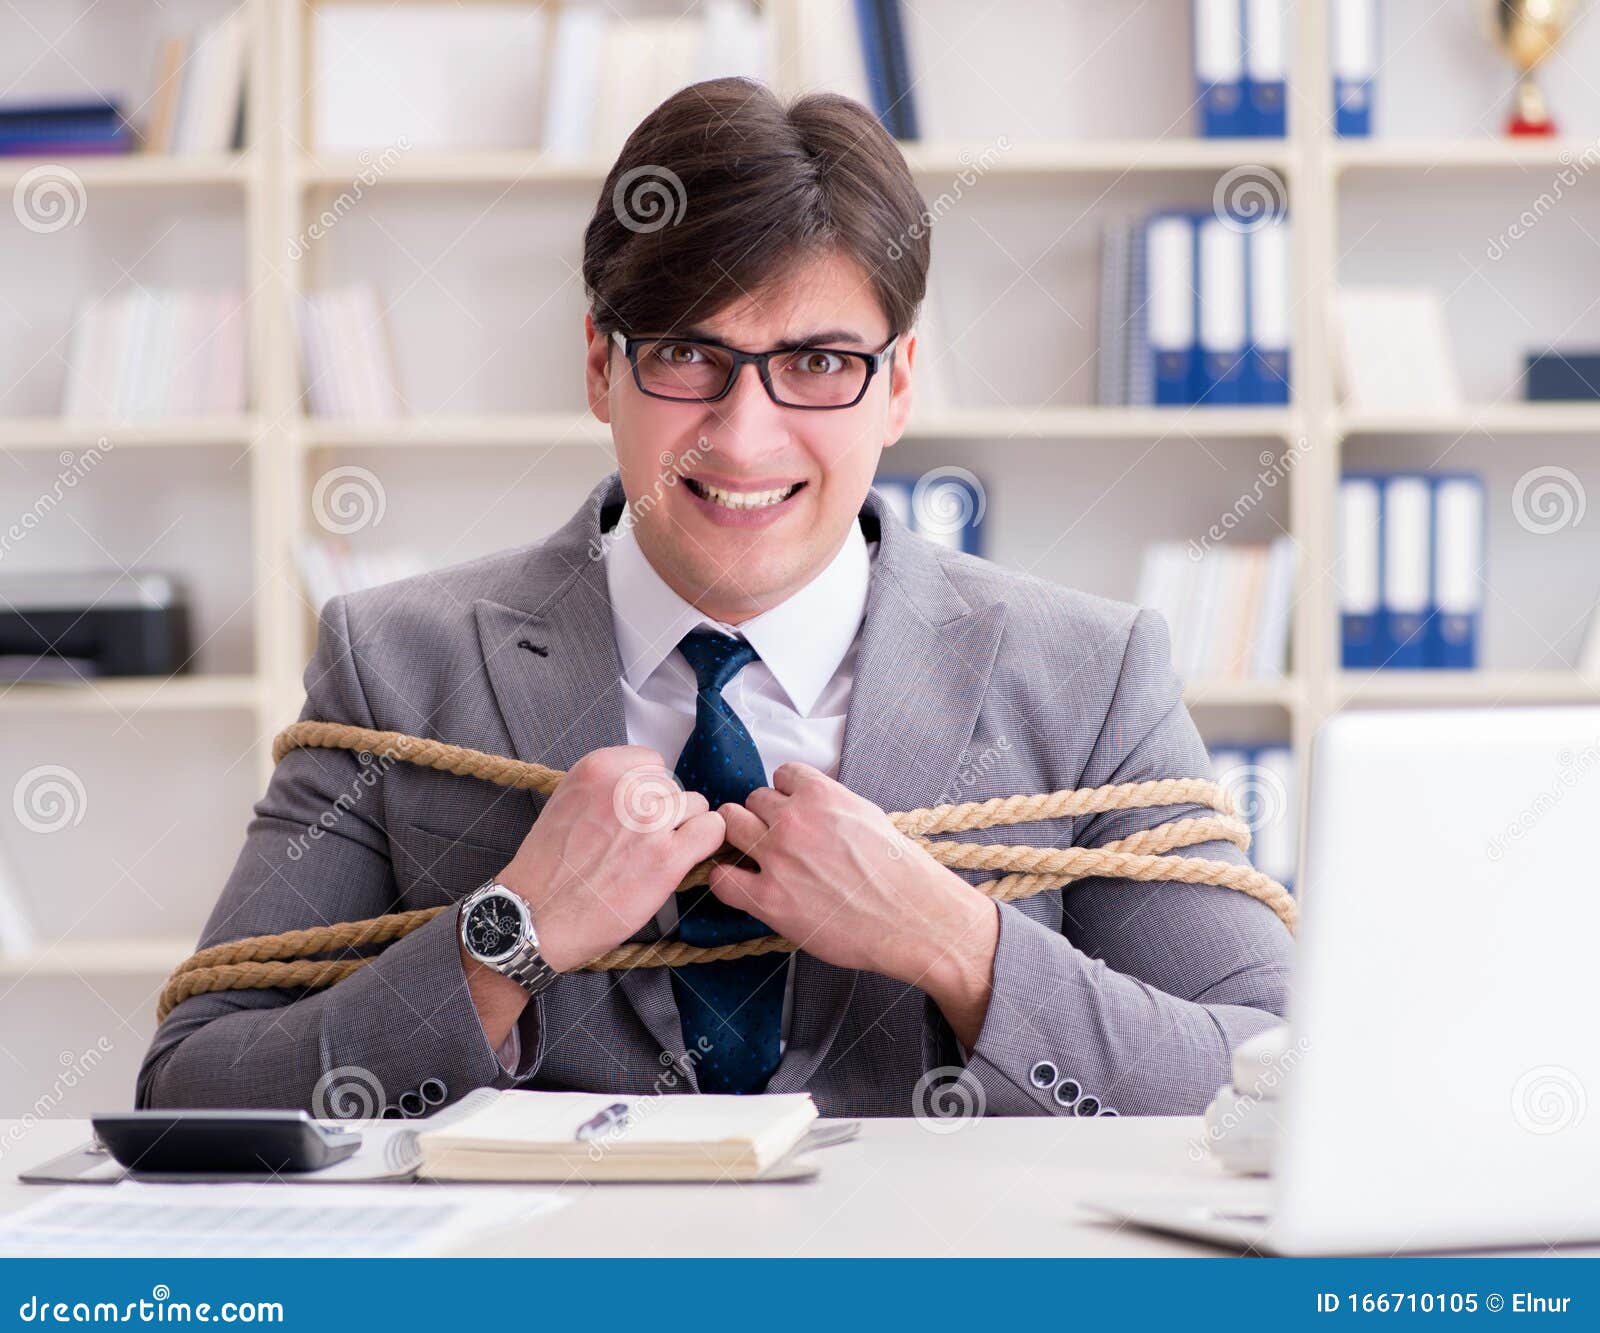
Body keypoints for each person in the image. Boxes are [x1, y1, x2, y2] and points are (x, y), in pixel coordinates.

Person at [137, 77, 1289, 1121]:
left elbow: (1280, 1074)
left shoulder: (1088, 675)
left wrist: (955, 942)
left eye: (818, 362)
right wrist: (507, 938)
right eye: (689, 356)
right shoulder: (396, 664)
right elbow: (194, 1088)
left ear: (897, 385)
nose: (743, 437)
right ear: (602, 367)